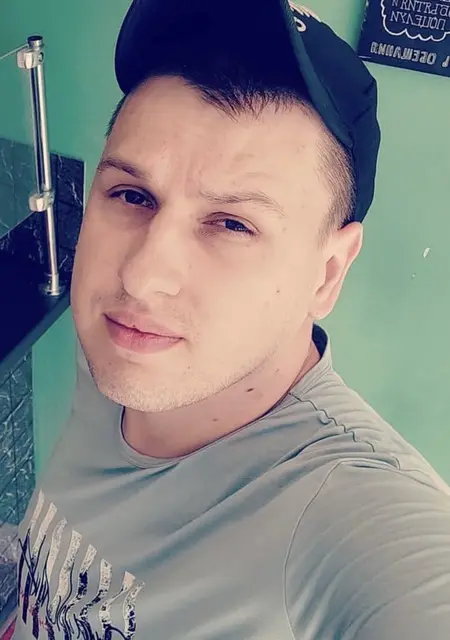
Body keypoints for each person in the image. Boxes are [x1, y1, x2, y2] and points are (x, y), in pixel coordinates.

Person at [13, 1, 450, 638]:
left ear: (327, 273)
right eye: (132, 195)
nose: (141, 276)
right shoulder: (123, 345)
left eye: (232, 224)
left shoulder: (344, 514)